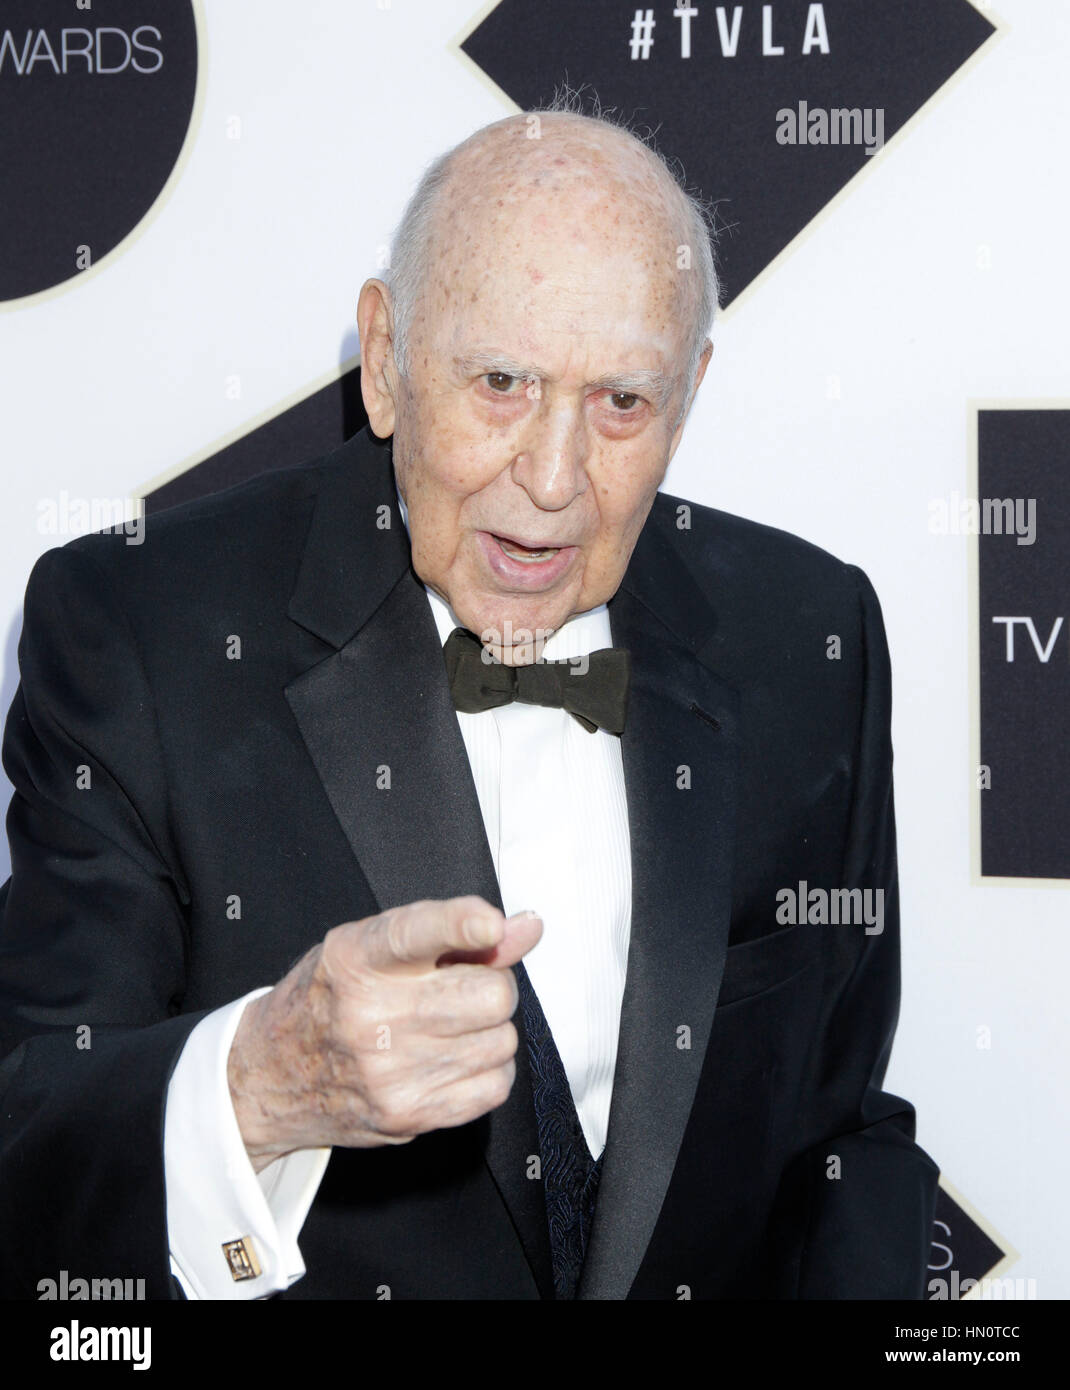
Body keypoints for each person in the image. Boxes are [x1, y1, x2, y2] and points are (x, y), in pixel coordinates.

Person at [0, 105, 938, 1300]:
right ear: (385, 359)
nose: (551, 482)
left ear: (689, 391)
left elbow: (842, 1132)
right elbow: (32, 1143)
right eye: (500, 382)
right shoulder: (135, 627)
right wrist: (262, 1085)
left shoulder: (810, 634)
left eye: (621, 404)